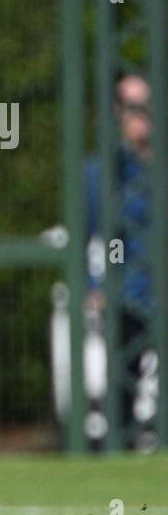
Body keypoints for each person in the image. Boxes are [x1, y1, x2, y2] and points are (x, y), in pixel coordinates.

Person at [85, 73, 159, 447]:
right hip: (125, 299)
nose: (140, 116)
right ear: (117, 113)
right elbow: (83, 237)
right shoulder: (100, 174)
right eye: (132, 108)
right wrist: (91, 288)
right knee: (120, 395)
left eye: (146, 106)